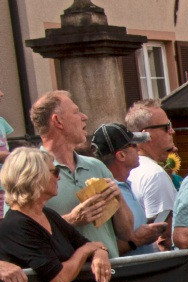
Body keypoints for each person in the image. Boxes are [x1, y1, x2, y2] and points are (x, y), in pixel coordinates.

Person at [33, 91, 134, 259]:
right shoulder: (29, 173)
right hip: (69, 281)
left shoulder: (96, 166)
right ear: (58, 121)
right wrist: (72, 220)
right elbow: (17, 235)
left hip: (112, 276)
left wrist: (118, 199)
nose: (84, 117)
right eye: (76, 111)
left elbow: (127, 233)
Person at [0, 147, 111, 282]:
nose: (59, 177)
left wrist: (100, 252)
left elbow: (86, 243)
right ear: (35, 176)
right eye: (55, 172)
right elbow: (60, 279)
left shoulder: (48, 214)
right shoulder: (17, 225)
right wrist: (86, 250)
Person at [90, 123, 168, 256]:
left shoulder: (124, 184)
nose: (139, 149)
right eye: (133, 145)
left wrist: (148, 227)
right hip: (128, 274)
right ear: (121, 156)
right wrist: (137, 240)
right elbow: (102, 248)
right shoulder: (105, 192)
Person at [125, 99, 178, 221]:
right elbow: (162, 231)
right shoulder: (155, 174)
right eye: (167, 127)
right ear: (146, 134)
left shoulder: (126, 170)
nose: (172, 131)